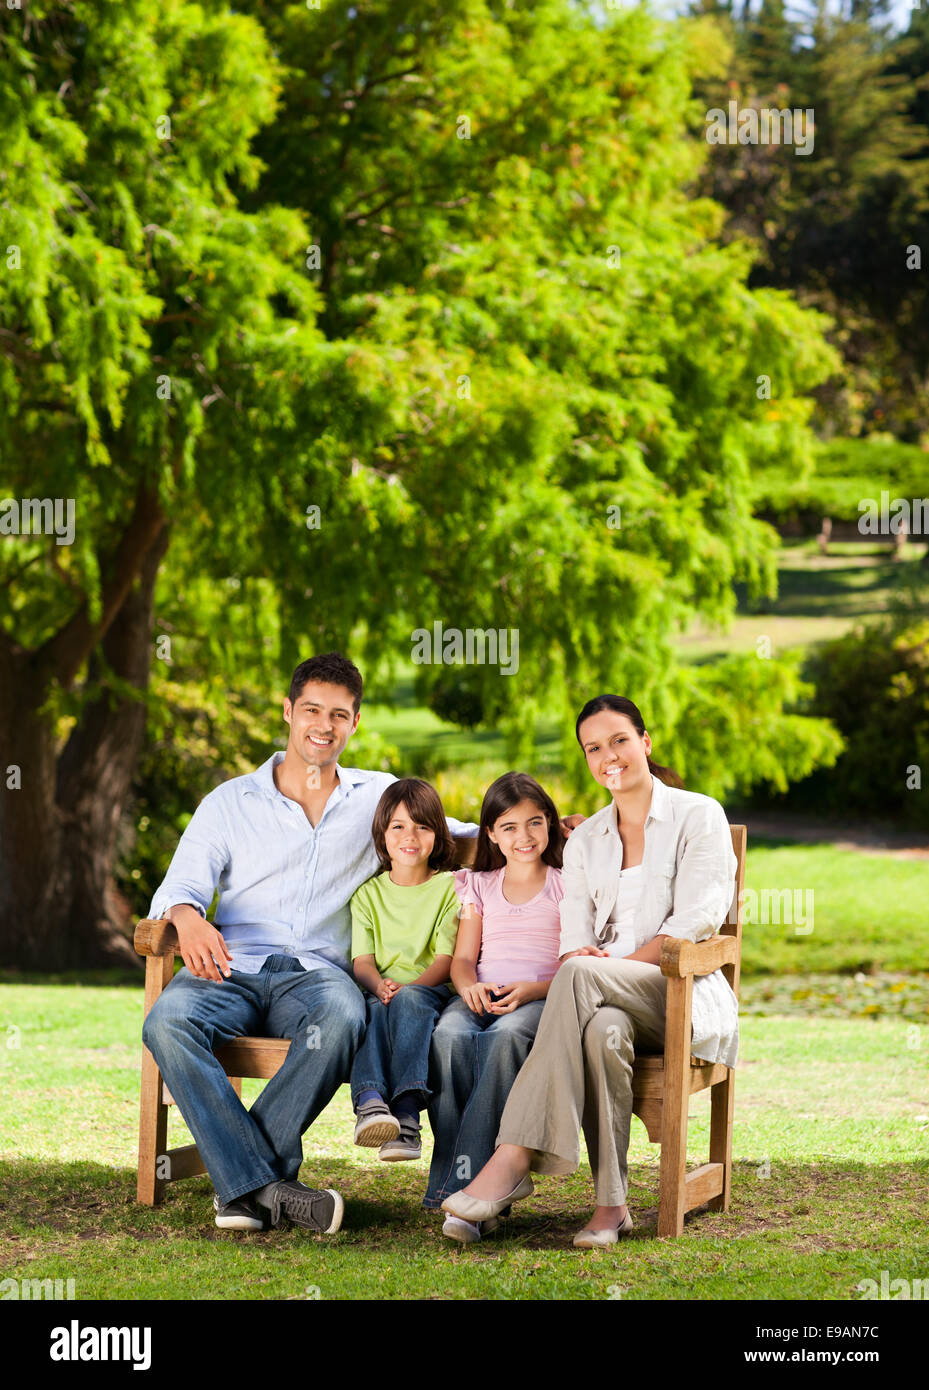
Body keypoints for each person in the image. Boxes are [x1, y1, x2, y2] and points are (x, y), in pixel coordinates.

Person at [141, 652, 479, 1235]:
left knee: (346, 1017)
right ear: (288, 712)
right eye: (313, 710)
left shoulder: (379, 797)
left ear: (355, 722)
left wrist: (550, 827)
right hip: (230, 964)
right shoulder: (231, 802)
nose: (324, 725)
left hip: (319, 976)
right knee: (166, 1022)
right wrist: (185, 916)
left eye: (340, 714)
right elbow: (181, 885)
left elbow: (462, 835)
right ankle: (270, 1188)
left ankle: (243, 1188)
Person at [441, 694, 739, 1248]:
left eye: (620, 740)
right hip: (600, 1004)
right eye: (594, 748)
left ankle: (512, 1157)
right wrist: (592, 968)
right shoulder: (587, 842)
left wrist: (609, 968)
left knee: (579, 975)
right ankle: (610, 1208)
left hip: (678, 992)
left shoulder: (699, 815)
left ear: (645, 743)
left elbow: (693, 925)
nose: (610, 756)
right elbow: (573, 939)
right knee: (602, 1030)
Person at [423, 772, 565, 1244]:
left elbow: (573, 967)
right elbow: (463, 960)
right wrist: (467, 990)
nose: (523, 837)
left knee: (504, 1039)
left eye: (535, 823)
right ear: (490, 834)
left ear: (551, 826)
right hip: (481, 993)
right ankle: (476, 1185)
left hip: (538, 998)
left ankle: (466, 1190)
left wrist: (531, 990)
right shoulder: (479, 886)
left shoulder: (566, 886)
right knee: (447, 1036)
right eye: (508, 827)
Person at [349, 778, 460, 1162]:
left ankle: (408, 1118)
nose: (409, 836)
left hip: (429, 991)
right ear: (382, 835)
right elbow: (362, 961)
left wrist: (407, 989)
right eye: (398, 826)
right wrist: (380, 986)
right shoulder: (368, 896)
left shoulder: (449, 888)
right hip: (381, 991)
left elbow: (445, 960)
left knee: (407, 1002)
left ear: (438, 834)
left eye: (422, 826)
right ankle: (370, 1103)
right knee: (369, 1010)